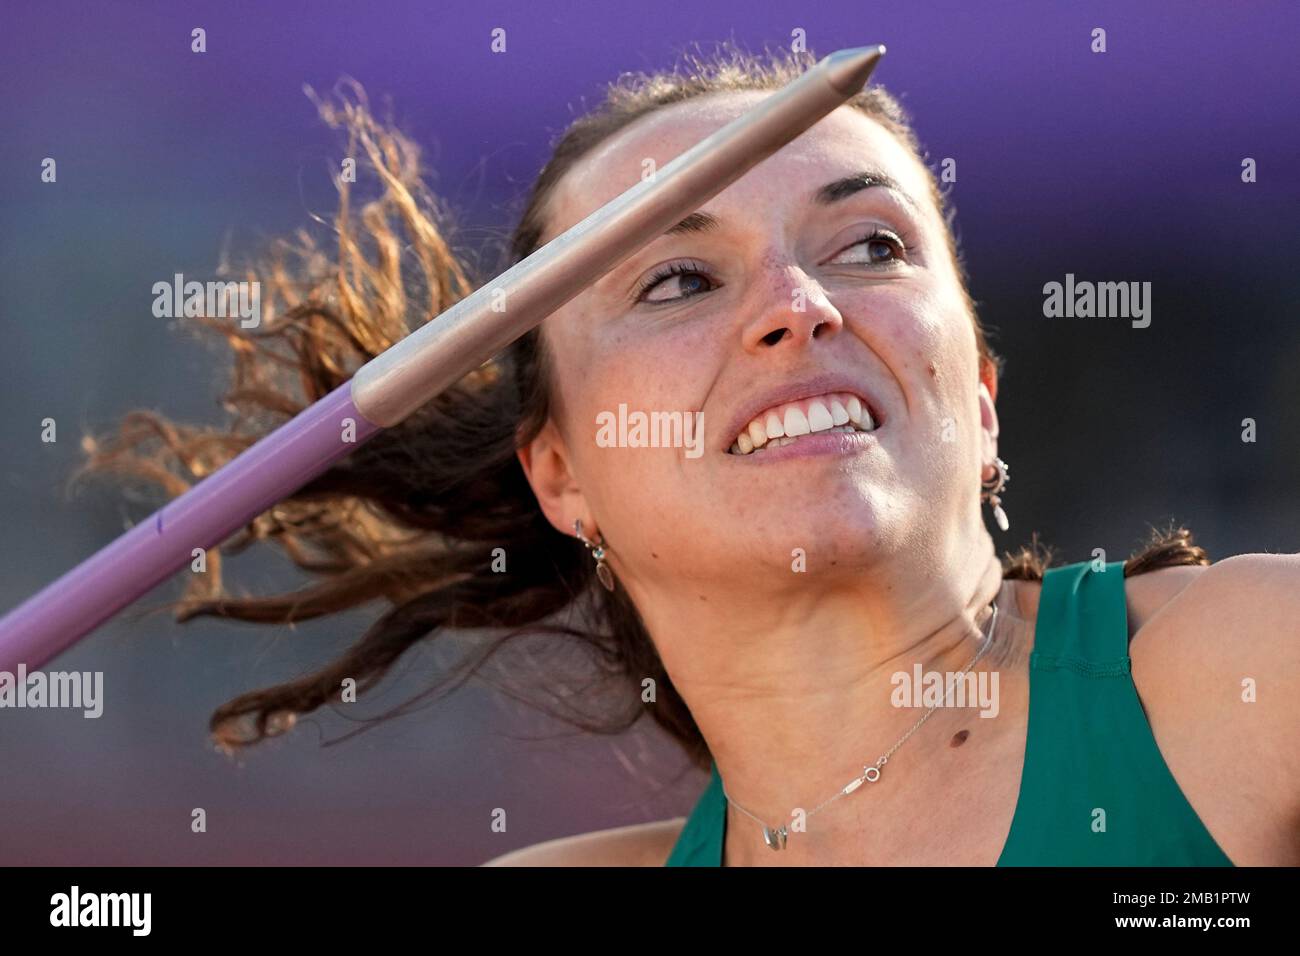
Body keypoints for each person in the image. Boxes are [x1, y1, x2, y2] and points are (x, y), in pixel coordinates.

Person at [79, 44, 1298, 867]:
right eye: (677, 277)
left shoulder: (1250, 682)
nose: (800, 302)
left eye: (870, 246)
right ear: (561, 476)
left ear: (978, 397)